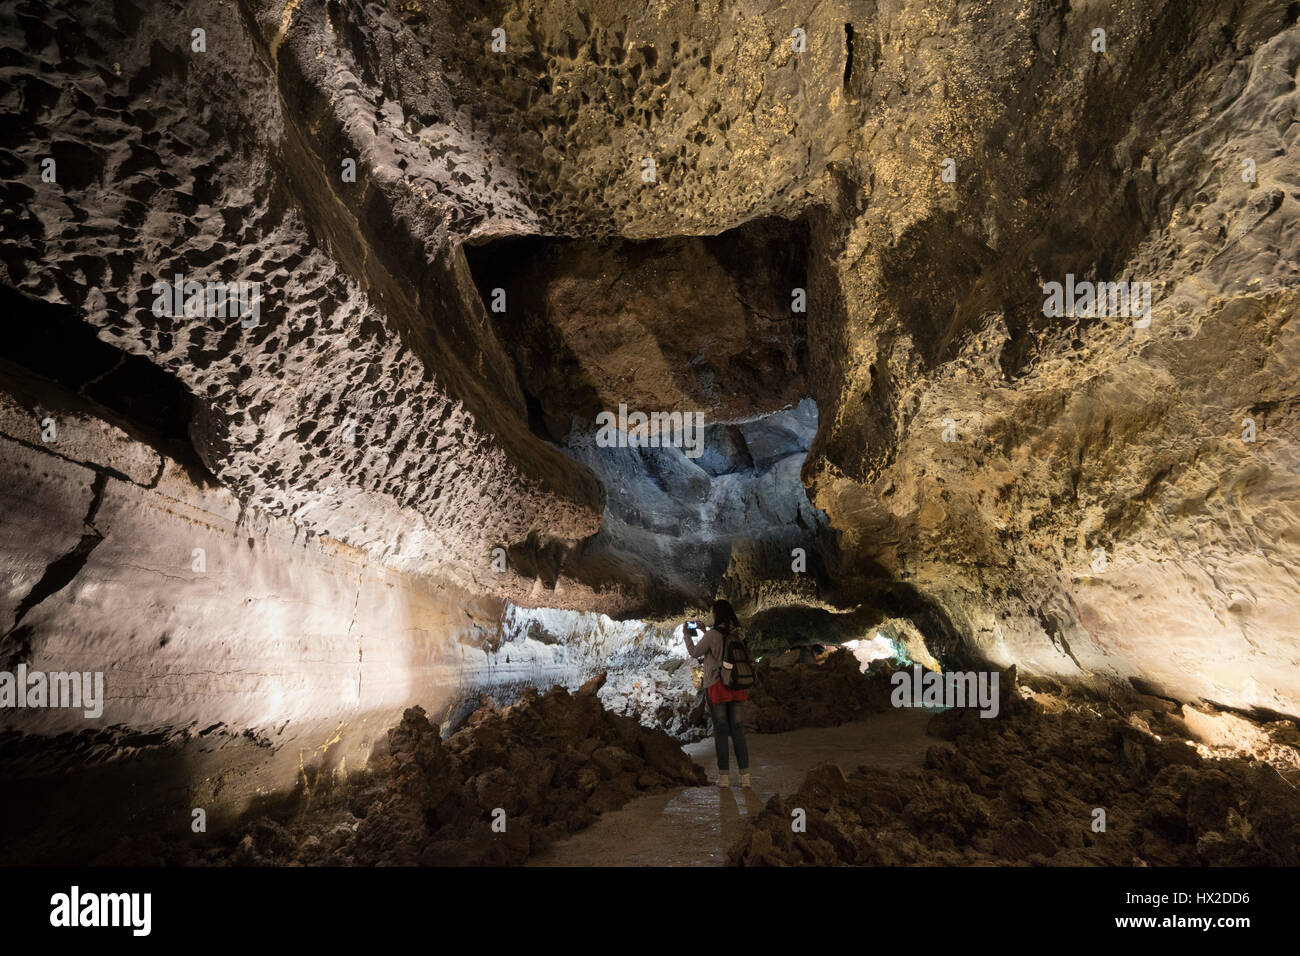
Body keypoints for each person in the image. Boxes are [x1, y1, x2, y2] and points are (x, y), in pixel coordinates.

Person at [683, 599, 750, 789]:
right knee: (738, 730)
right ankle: (745, 778)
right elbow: (724, 648)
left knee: (721, 731)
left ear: (716, 614)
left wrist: (687, 635)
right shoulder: (739, 633)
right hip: (737, 685)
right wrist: (705, 631)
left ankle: (725, 778)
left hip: (718, 686)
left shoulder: (713, 635)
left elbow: (695, 652)